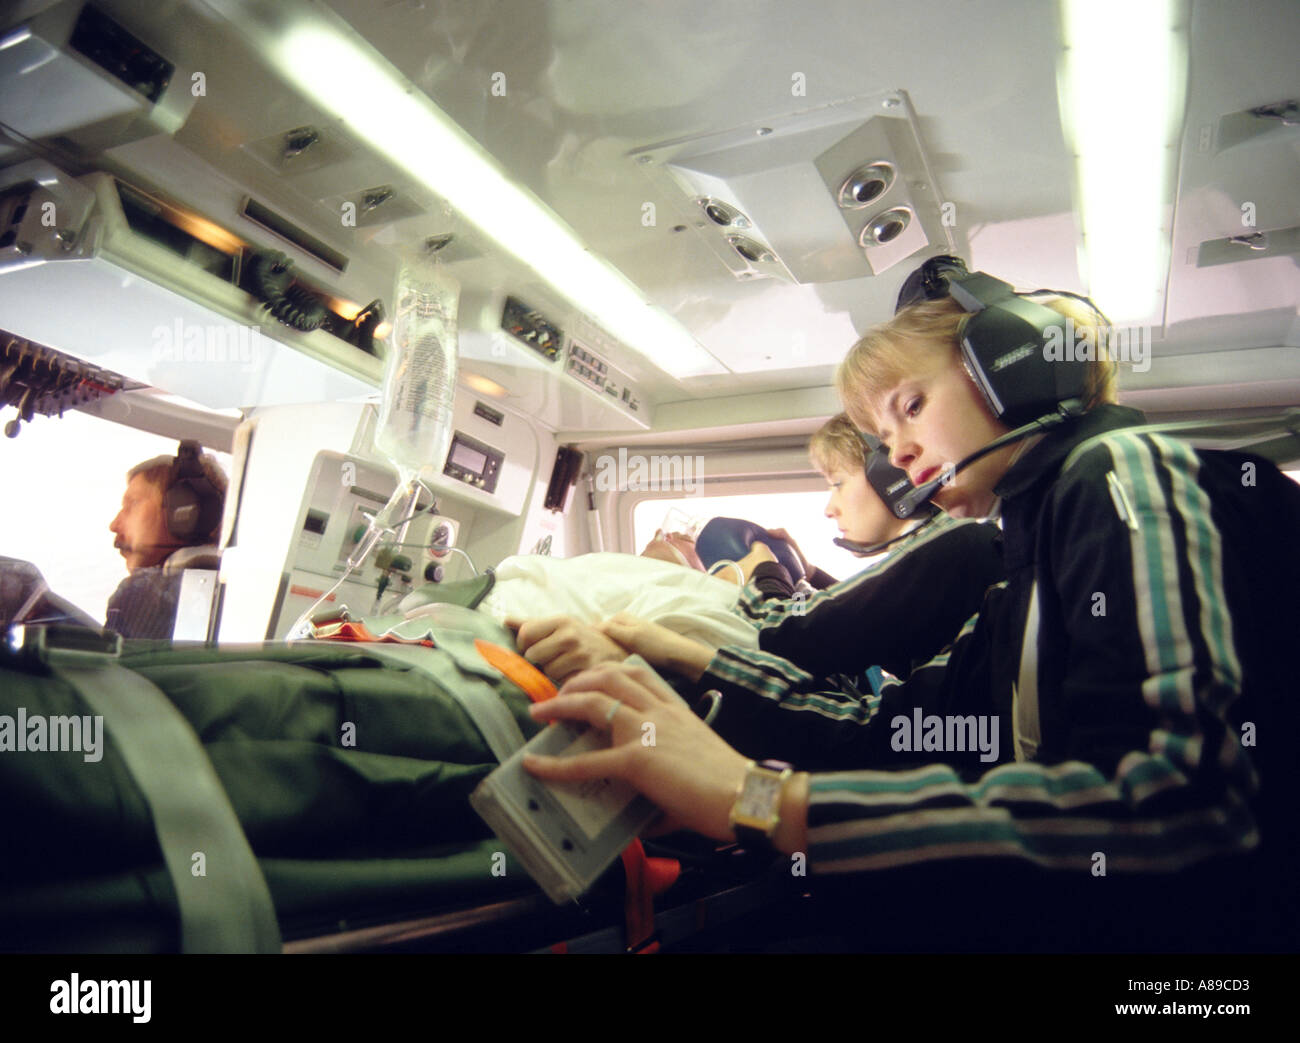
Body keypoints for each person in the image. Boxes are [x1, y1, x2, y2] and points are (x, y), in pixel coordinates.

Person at [521, 258, 1300, 951]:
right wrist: (690, 662)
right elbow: (890, 727)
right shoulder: (1026, 560)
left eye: (911, 405)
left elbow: (1180, 805)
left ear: (1014, 370)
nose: (896, 453)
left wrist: (754, 799)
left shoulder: (1123, 473)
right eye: (881, 435)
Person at [105, 440, 227, 639]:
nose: (114, 524)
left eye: (133, 504)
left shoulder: (143, 592)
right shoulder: (235, 588)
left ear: (184, 512)